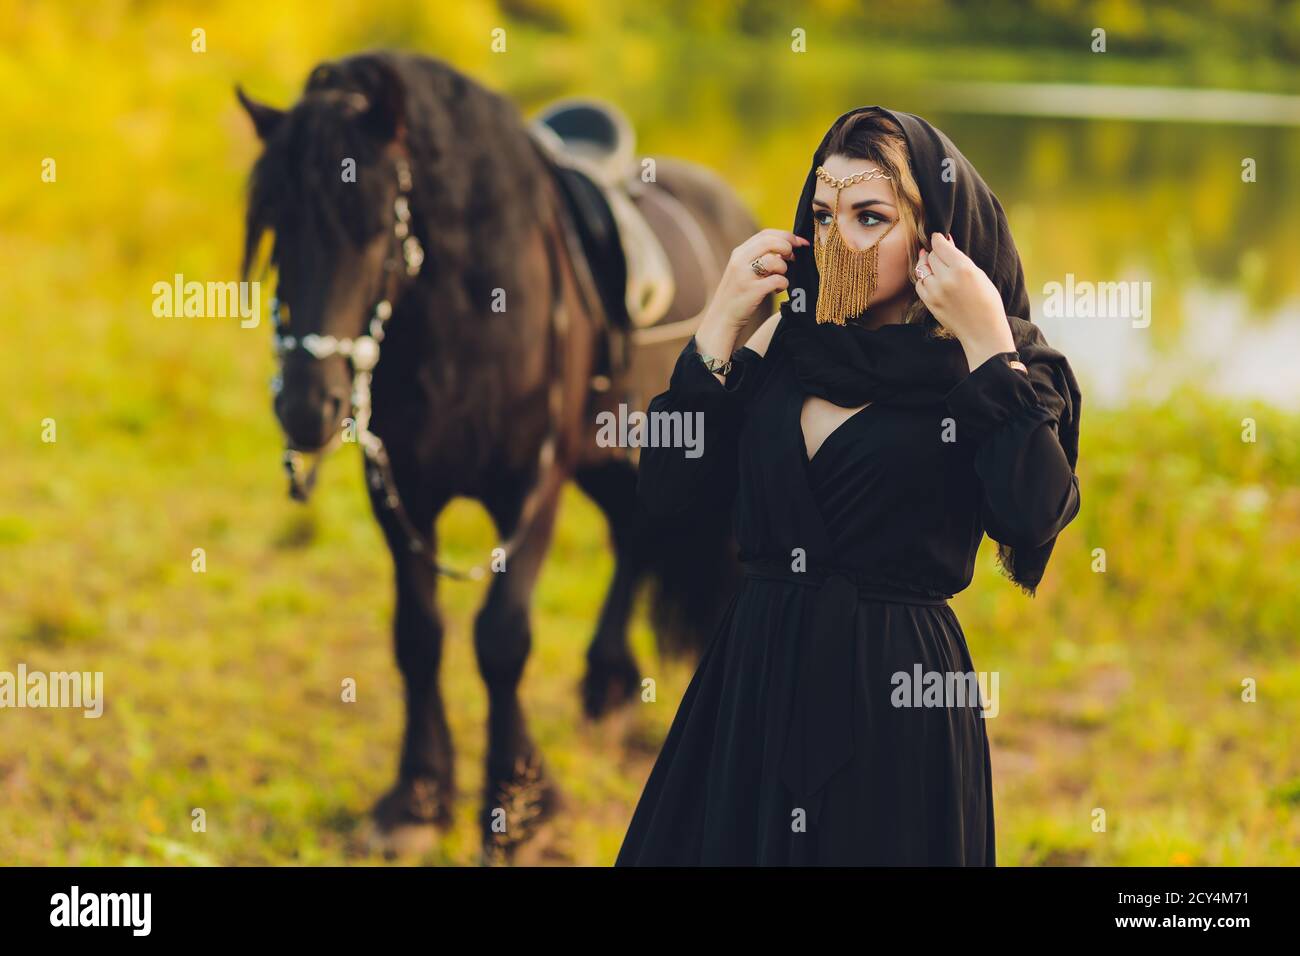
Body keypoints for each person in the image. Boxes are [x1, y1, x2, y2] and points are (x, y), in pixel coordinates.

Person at [615, 106, 1083, 866]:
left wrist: (989, 343)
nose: (839, 242)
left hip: (899, 698)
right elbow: (667, 497)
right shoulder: (785, 338)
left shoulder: (996, 366)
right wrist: (716, 330)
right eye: (824, 215)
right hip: (753, 679)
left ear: (937, 237)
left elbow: (1031, 516)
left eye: (872, 217)